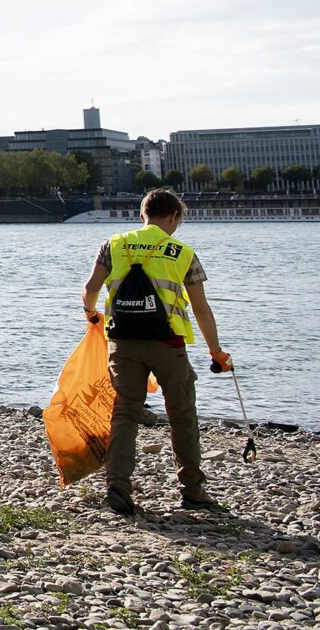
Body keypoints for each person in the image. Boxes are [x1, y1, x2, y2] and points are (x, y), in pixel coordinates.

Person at [81, 188, 229, 516]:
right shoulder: (183, 253)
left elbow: (90, 289)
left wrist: (91, 315)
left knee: (125, 413)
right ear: (174, 217)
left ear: (141, 215)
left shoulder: (113, 245)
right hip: (169, 345)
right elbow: (201, 309)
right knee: (182, 415)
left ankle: (118, 488)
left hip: (123, 342)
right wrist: (216, 352)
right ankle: (192, 490)